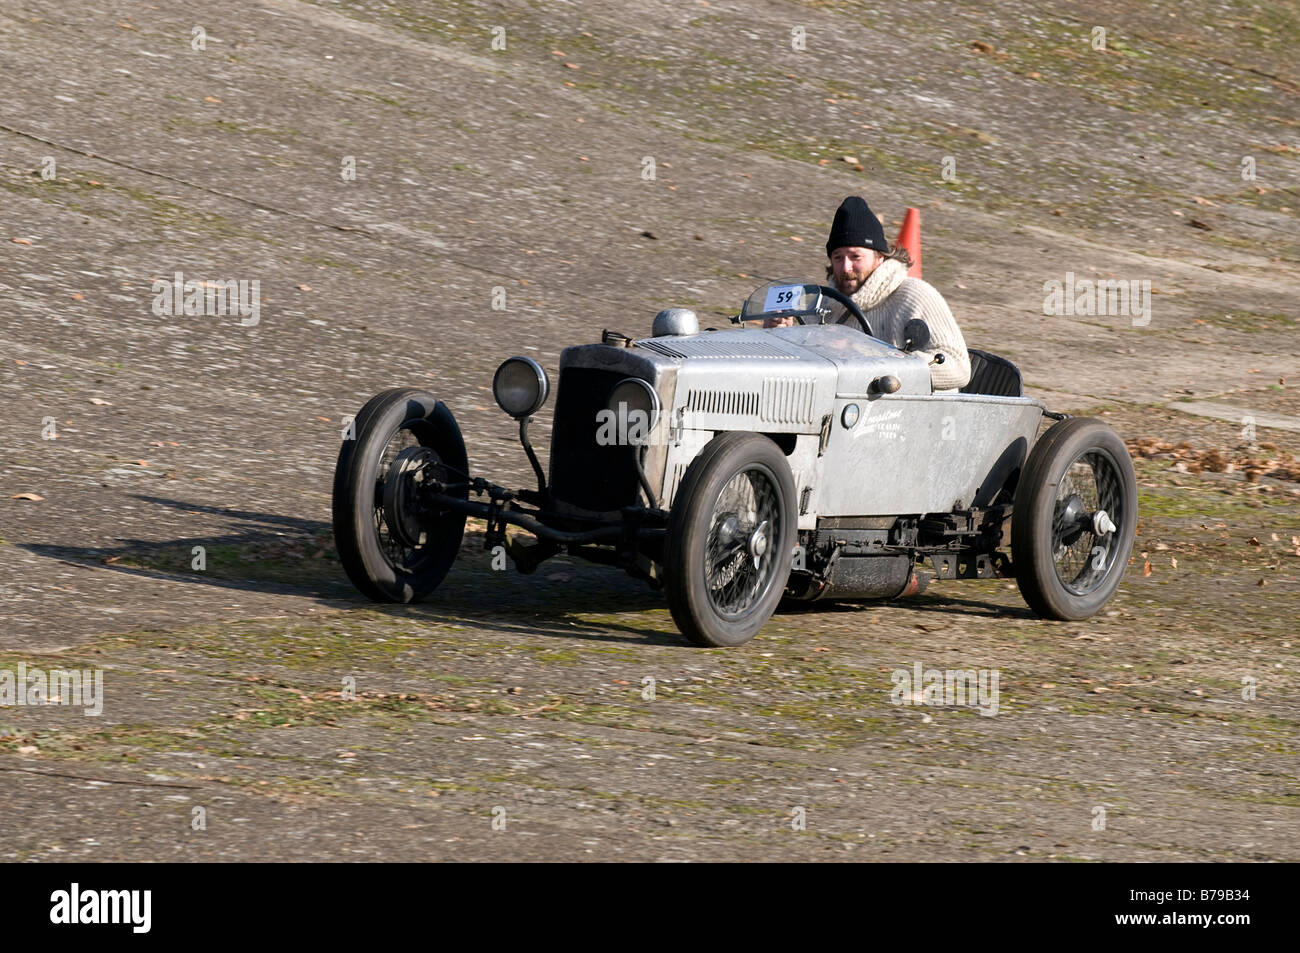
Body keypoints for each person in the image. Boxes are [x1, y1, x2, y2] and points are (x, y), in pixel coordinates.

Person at [766, 196, 971, 392]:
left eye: (856, 256)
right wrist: (780, 336)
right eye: (838, 257)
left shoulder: (915, 295)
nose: (846, 267)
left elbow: (958, 368)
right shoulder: (823, 304)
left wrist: (885, 364)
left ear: (879, 257)